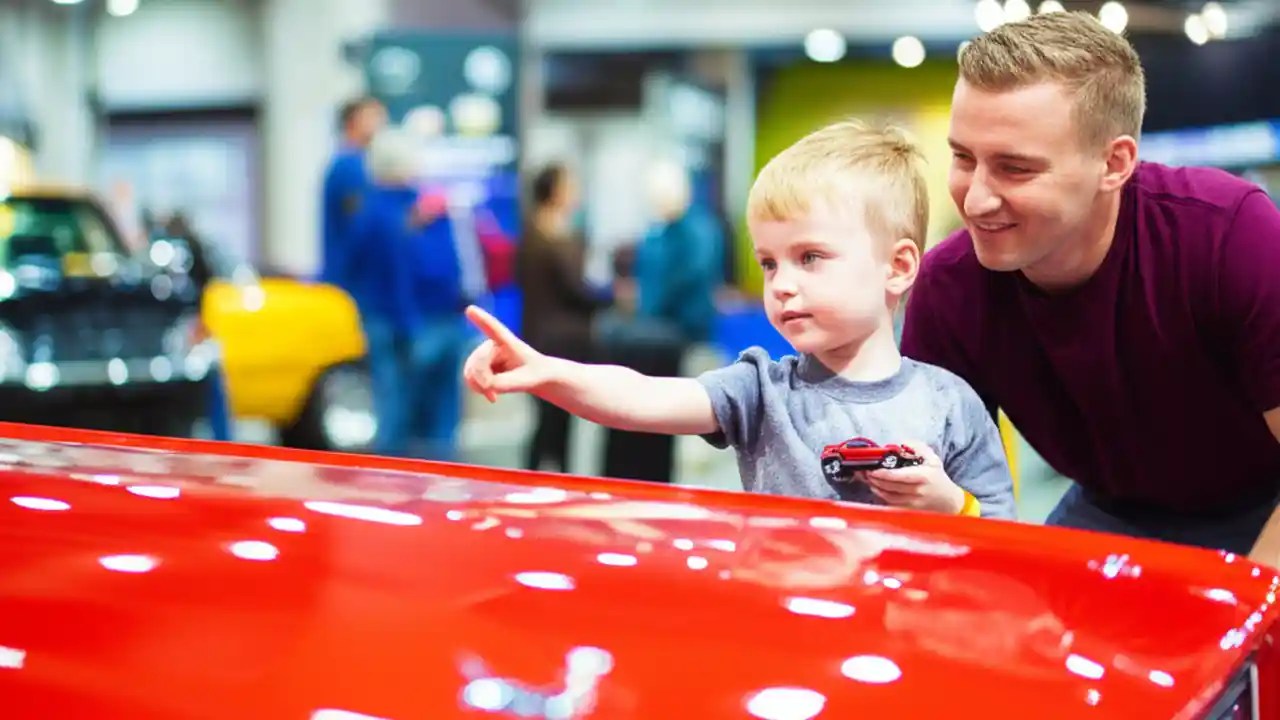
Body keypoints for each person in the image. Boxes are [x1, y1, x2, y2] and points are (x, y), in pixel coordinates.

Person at [463, 120, 1016, 518]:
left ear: (897, 268)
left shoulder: (952, 405)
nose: (782, 284)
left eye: (811, 257)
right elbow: (642, 397)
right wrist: (549, 372)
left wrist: (949, 503)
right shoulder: (759, 391)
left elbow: (1005, 535)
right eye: (769, 263)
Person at [898, 11, 1280, 555]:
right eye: (963, 158)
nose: (976, 200)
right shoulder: (950, 287)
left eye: (1015, 168)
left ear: (1114, 162)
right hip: (1109, 507)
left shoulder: (1229, 235)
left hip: (1264, 502)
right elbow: (948, 498)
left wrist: (1248, 615)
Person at [517, 163, 607, 472]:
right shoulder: (552, 236)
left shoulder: (538, 231)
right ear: (555, 191)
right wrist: (614, 296)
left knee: (552, 423)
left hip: (545, 336)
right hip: (558, 341)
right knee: (552, 423)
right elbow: (577, 290)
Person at [320, 96, 387, 291]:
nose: (381, 123)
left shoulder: (359, 164)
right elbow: (358, 226)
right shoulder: (350, 167)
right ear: (353, 122)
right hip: (355, 283)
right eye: (373, 116)